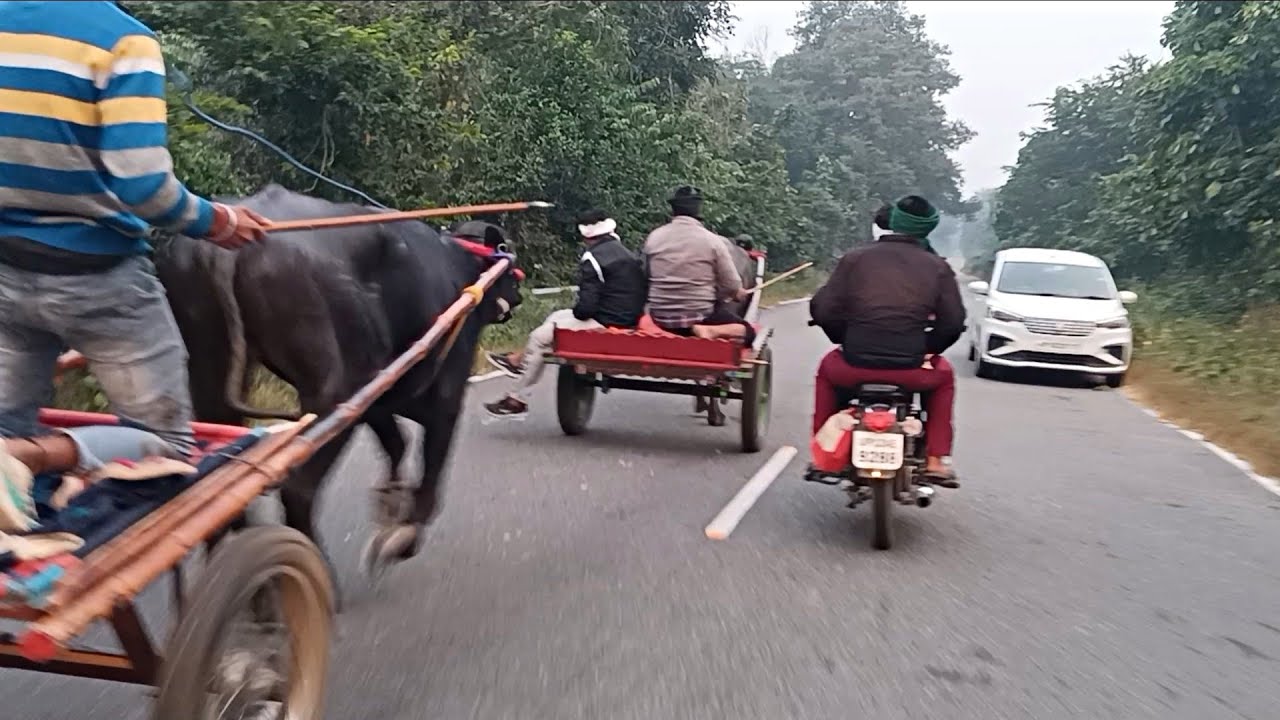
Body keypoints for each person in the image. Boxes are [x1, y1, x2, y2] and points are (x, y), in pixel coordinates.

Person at [0, 1, 269, 449]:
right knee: (164, 442)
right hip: (100, 282)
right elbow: (143, 187)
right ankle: (43, 457)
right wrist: (217, 222)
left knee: (5, 424)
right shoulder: (122, 41)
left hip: (6, 273)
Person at [809, 195, 966, 485]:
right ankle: (935, 460)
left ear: (892, 222)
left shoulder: (855, 259)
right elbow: (953, 322)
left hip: (853, 363)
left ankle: (826, 453)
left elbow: (823, 308)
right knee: (944, 377)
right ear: (927, 229)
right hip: (913, 369)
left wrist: (844, 340)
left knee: (827, 372)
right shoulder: (937, 267)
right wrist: (928, 351)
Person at [484, 210, 646, 418]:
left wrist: (579, 311)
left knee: (539, 338)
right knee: (556, 317)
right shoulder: (625, 253)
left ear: (586, 236)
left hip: (607, 323)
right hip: (627, 318)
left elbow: (585, 309)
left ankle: (517, 398)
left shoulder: (593, 257)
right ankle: (518, 360)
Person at [643, 186, 754, 343]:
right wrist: (737, 292)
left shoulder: (653, 238)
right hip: (699, 317)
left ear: (673, 210)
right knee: (749, 332)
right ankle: (710, 330)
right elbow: (731, 284)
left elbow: (646, 276)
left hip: (660, 317)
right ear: (697, 210)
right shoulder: (712, 241)